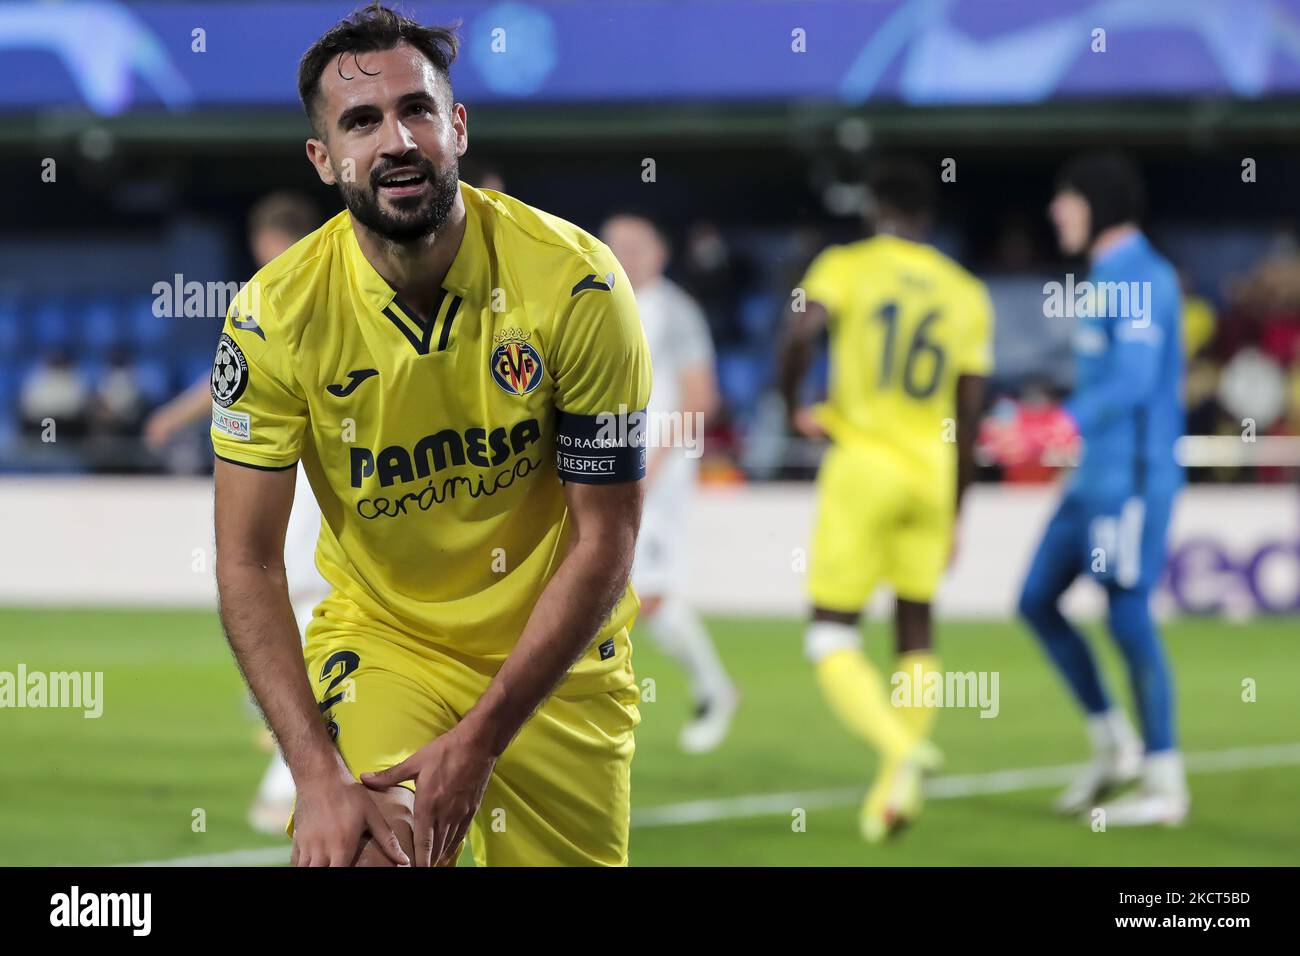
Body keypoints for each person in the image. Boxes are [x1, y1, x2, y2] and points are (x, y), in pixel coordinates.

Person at [211, 3, 650, 867]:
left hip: (558, 670)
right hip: (387, 647)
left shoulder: (576, 285)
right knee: (364, 853)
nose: (395, 140)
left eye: (416, 110)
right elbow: (247, 562)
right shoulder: (273, 317)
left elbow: (606, 537)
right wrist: (316, 773)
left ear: (456, 127)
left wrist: (481, 738)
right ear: (324, 157)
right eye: (361, 122)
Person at [778, 160, 992, 842]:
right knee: (916, 624)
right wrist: (960, 509)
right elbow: (972, 413)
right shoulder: (965, 293)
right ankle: (895, 787)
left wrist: (792, 405)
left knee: (829, 633)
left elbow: (801, 331)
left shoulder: (847, 264)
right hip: (932, 473)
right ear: (927, 220)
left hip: (864, 463)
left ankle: (901, 750)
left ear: (875, 211)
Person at [143, 191, 328, 836]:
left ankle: (290, 784)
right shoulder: (274, 299)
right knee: (280, 624)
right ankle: (294, 758)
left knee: (306, 627)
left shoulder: (318, 294)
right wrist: (178, 416)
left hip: (316, 480)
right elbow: (230, 380)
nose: (268, 262)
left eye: (274, 250)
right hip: (282, 476)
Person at [1018, 151, 1188, 826]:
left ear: (1097, 203)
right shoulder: (1102, 276)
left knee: (1126, 611)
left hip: (1133, 480)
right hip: (1090, 479)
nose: (1056, 211)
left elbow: (1136, 382)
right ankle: (1115, 744)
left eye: (1066, 199)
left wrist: (1062, 420)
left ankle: (1166, 782)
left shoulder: (1144, 275)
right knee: (1035, 601)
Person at [601, 212, 737, 753]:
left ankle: (715, 690)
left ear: (660, 252)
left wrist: (650, 469)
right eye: (615, 245)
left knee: (645, 590)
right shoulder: (595, 299)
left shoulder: (674, 312)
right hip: (606, 467)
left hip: (657, 474)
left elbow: (701, 399)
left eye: (636, 245)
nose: (625, 255)